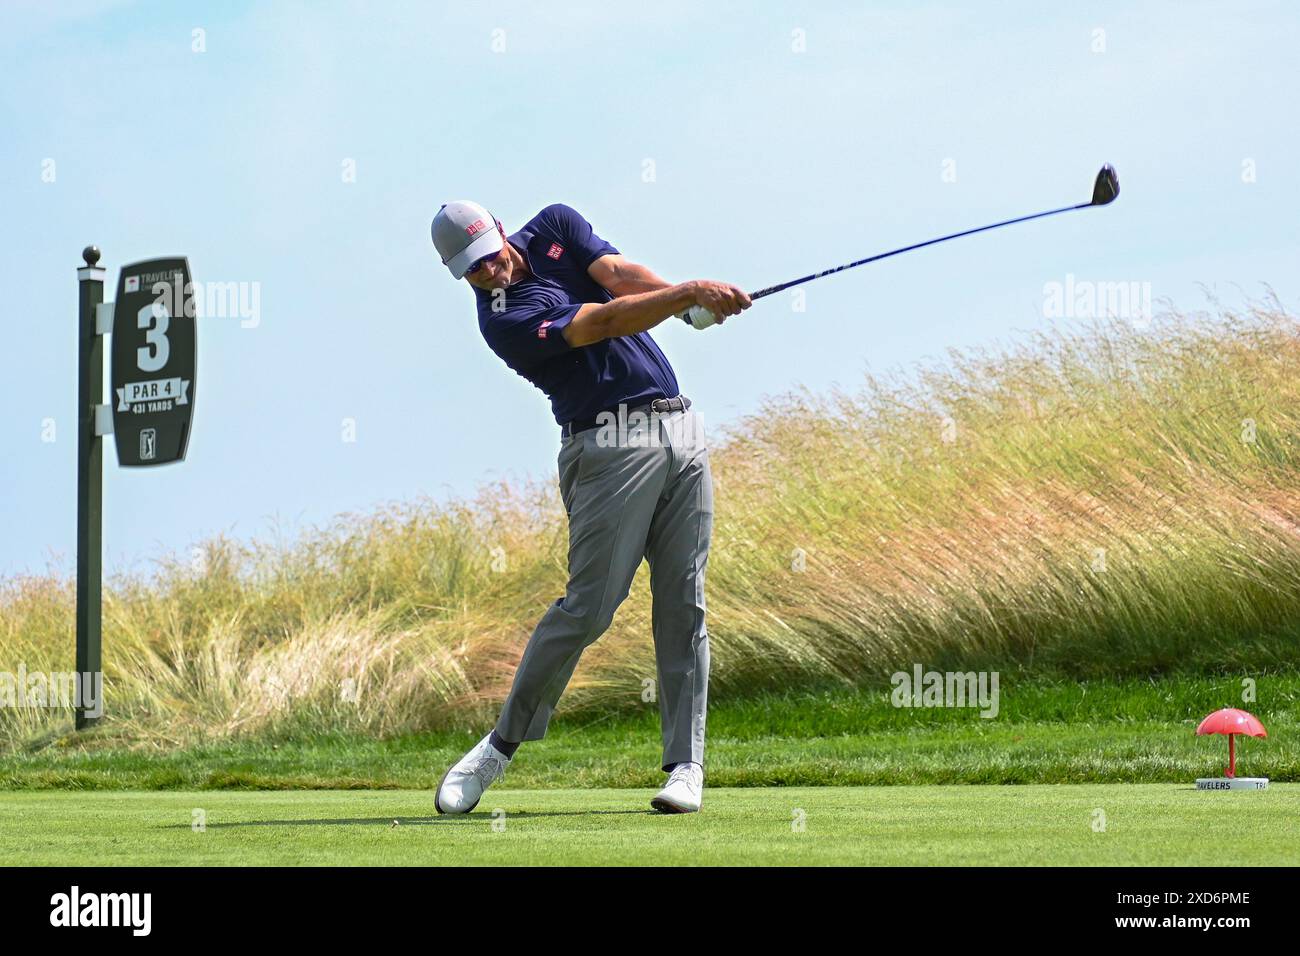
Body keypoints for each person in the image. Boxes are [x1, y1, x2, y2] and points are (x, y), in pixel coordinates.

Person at [429, 200, 750, 813]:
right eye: (473, 270)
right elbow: (601, 323)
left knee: (685, 600)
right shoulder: (503, 319)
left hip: (681, 430)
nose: (490, 272)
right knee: (589, 608)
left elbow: (617, 276)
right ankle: (498, 747)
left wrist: (691, 308)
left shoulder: (554, 224)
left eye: (490, 255)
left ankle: (686, 766)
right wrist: (686, 294)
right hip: (606, 448)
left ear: (500, 228)